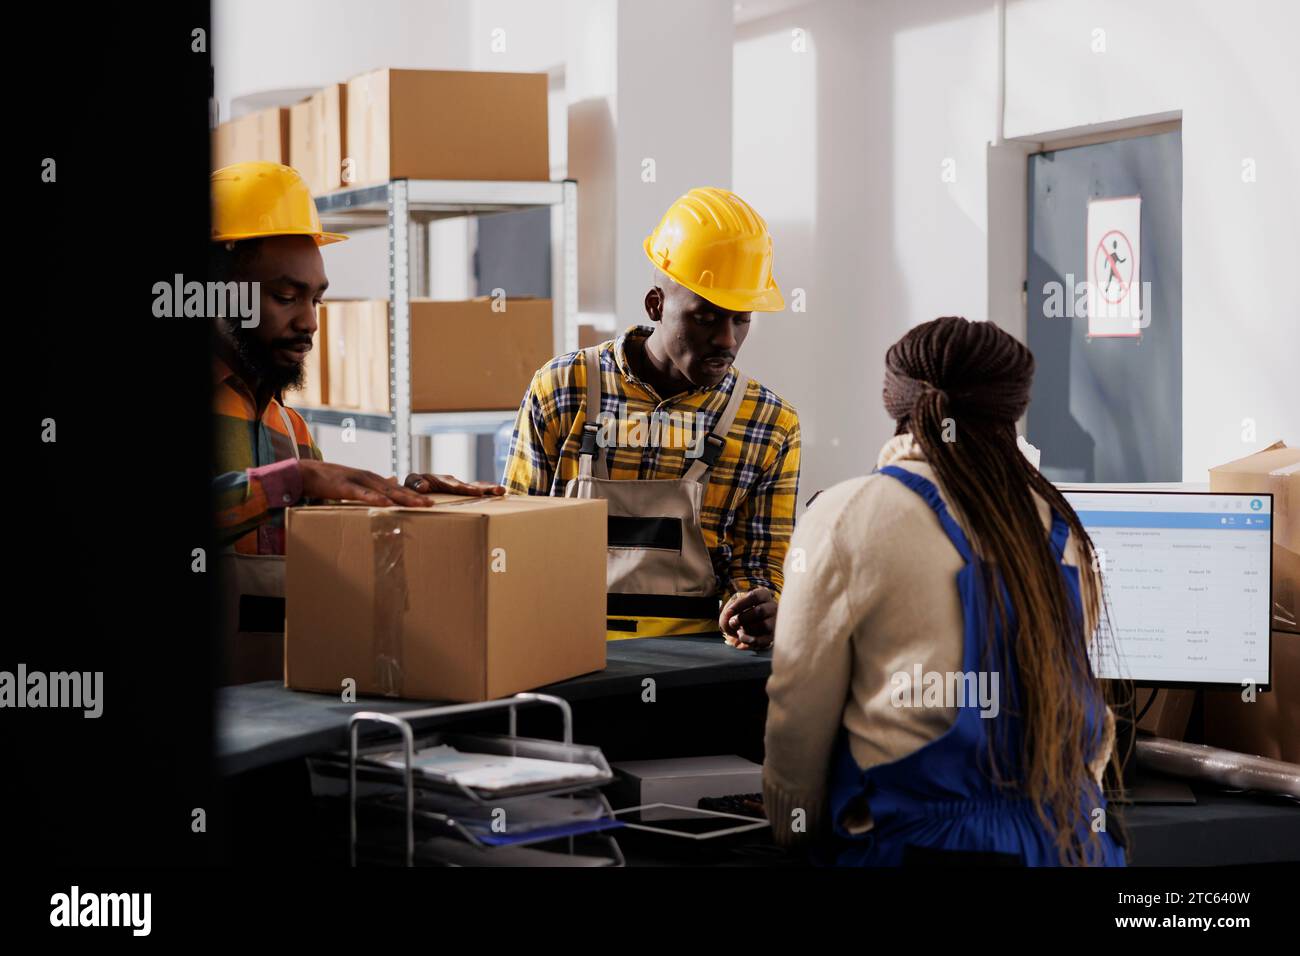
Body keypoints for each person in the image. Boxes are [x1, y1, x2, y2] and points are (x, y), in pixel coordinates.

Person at [763, 316, 1126, 866]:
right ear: (1012, 408)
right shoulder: (1061, 527)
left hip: (928, 850)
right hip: (1073, 842)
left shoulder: (846, 514)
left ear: (895, 402)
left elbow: (797, 725)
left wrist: (798, 839)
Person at [210, 162, 502, 680]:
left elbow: (327, 535)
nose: (310, 322)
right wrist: (293, 481)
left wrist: (403, 496)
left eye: (316, 298)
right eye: (285, 296)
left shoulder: (288, 430)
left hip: (278, 703)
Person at [504, 187, 800, 645]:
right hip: (563, 652)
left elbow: (759, 565)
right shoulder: (563, 389)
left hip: (700, 672)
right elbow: (513, 538)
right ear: (656, 304)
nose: (726, 339)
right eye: (706, 317)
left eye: (741, 319)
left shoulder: (769, 424)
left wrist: (757, 609)